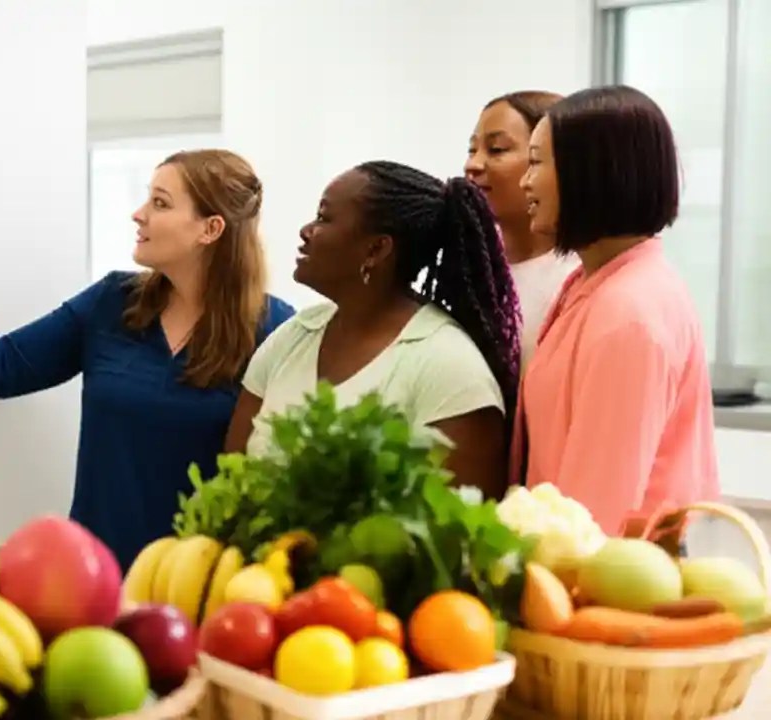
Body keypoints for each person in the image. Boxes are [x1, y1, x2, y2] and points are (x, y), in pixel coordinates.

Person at [0, 149, 295, 569]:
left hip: (200, 581)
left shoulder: (277, 331)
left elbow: (276, 477)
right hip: (91, 578)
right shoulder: (112, 302)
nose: (139, 214)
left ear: (210, 229)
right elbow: (2, 368)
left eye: (160, 203)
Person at [224, 161, 521, 500]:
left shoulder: (449, 366)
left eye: (324, 218)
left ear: (377, 249)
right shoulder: (291, 337)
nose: (306, 230)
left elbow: (460, 530)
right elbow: (231, 481)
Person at [513, 85, 720, 534]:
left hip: (614, 576)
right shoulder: (597, 282)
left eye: (534, 162)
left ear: (588, 172)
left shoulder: (629, 312)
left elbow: (594, 516)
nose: (524, 182)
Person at [466, 90, 581, 367]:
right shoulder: (468, 266)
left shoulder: (578, 277)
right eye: (472, 150)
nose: (473, 165)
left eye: (497, 150)